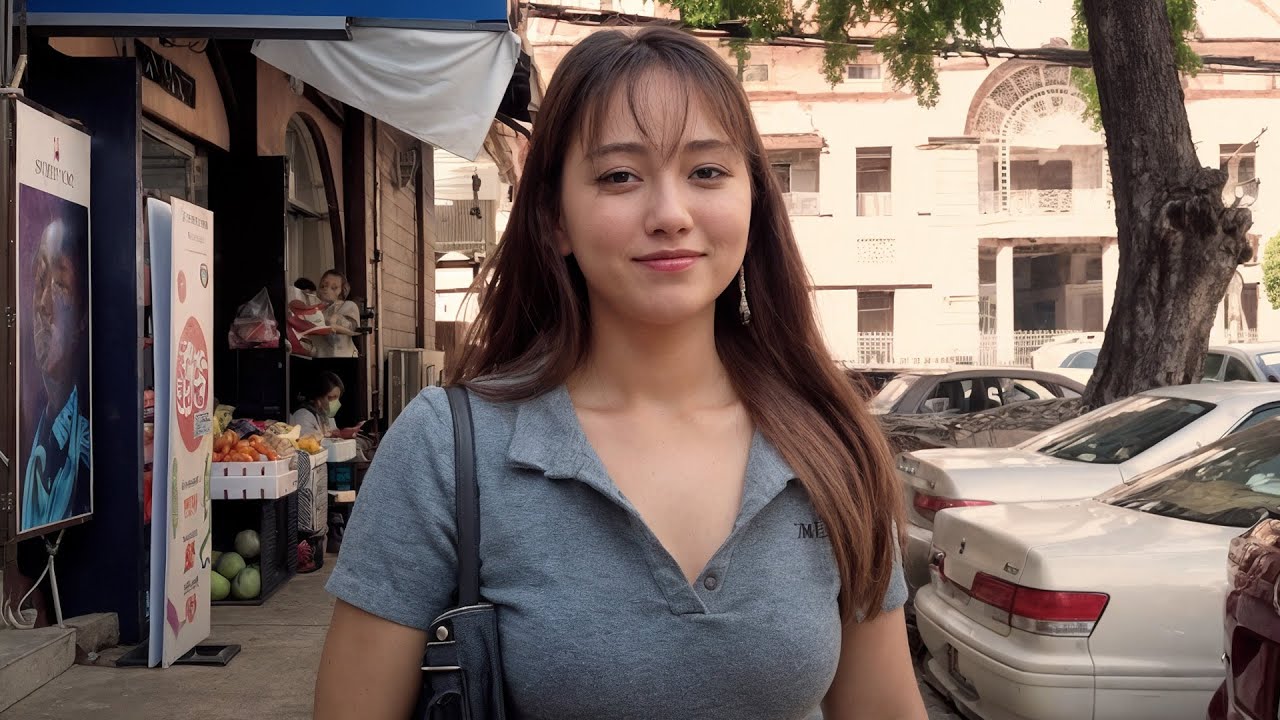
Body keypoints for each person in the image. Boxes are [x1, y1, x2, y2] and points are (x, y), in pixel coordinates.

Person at [315, 27, 924, 720]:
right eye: (619, 176)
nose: (670, 215)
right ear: (554, 220)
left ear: (754, 200)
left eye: (706, 172)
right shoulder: (449, 452)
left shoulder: (832, 448)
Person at [22, 217, 92, 532]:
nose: (43, 305)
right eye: (40, 281)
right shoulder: (32, 432)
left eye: (61, 285)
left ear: (83, 317)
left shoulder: (86, 449)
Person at [290, 372, 362, 440]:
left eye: (337, 398)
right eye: (331, 398)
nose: (335, 402)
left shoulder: (325, 414)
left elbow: (335, 435)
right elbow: (310, 444)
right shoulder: (303, 416)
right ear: (318, 396)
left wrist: (349, 432)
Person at [314, 269, 360, 358]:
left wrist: (336, 320)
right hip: (318, 358)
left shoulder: (348, 305)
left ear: (343, 291)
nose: (326, 290)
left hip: (342, 359)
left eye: (334, 288)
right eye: (323, 286)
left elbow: (351, 326)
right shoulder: (314, 307)